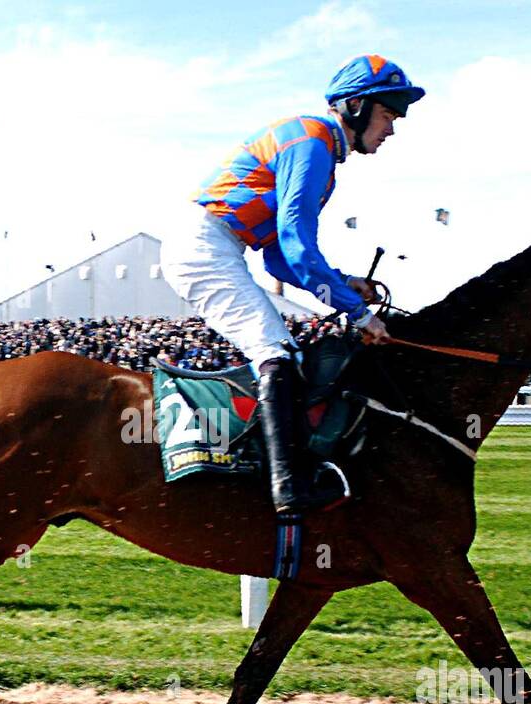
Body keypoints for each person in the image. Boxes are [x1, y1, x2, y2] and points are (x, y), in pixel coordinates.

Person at [161, 53, 424, 514]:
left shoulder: (318, 151)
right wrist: (358, 312)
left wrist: (343, 284)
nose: (393, 128)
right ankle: (288, 487)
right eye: (388, 114)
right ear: (357, 106)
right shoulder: (312, 144)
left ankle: (281, 466)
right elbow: (297, 250)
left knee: (286, 354)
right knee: (276, 353)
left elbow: (282, 261)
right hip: (204, 246)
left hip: (217, 245)